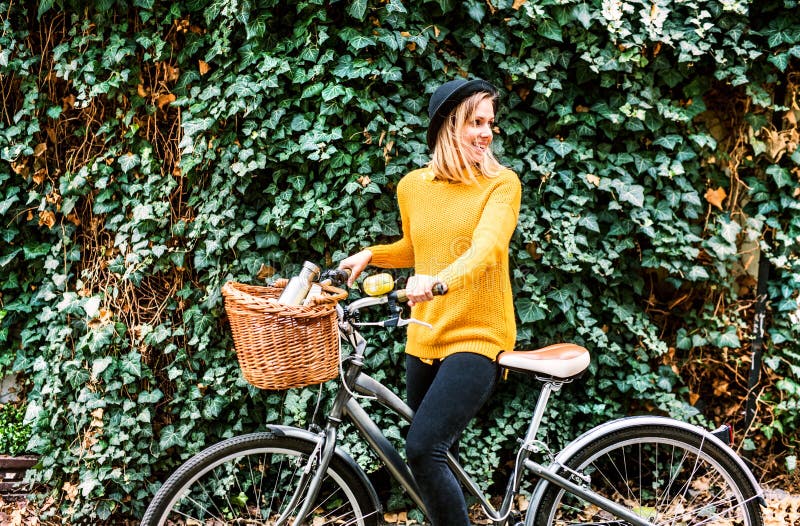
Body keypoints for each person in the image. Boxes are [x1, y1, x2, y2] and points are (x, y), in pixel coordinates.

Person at [338, 78, 521, 526]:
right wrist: (371, 255)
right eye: (475, 122)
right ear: (448, 126)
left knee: (422, 448)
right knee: (439, 457)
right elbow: (417, 247)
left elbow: (486, 250)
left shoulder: (501, 184)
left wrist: (437, 283)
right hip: (424, 335)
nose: (487, 133)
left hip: (478, 336)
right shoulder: (413, 186)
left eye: (490, 123)